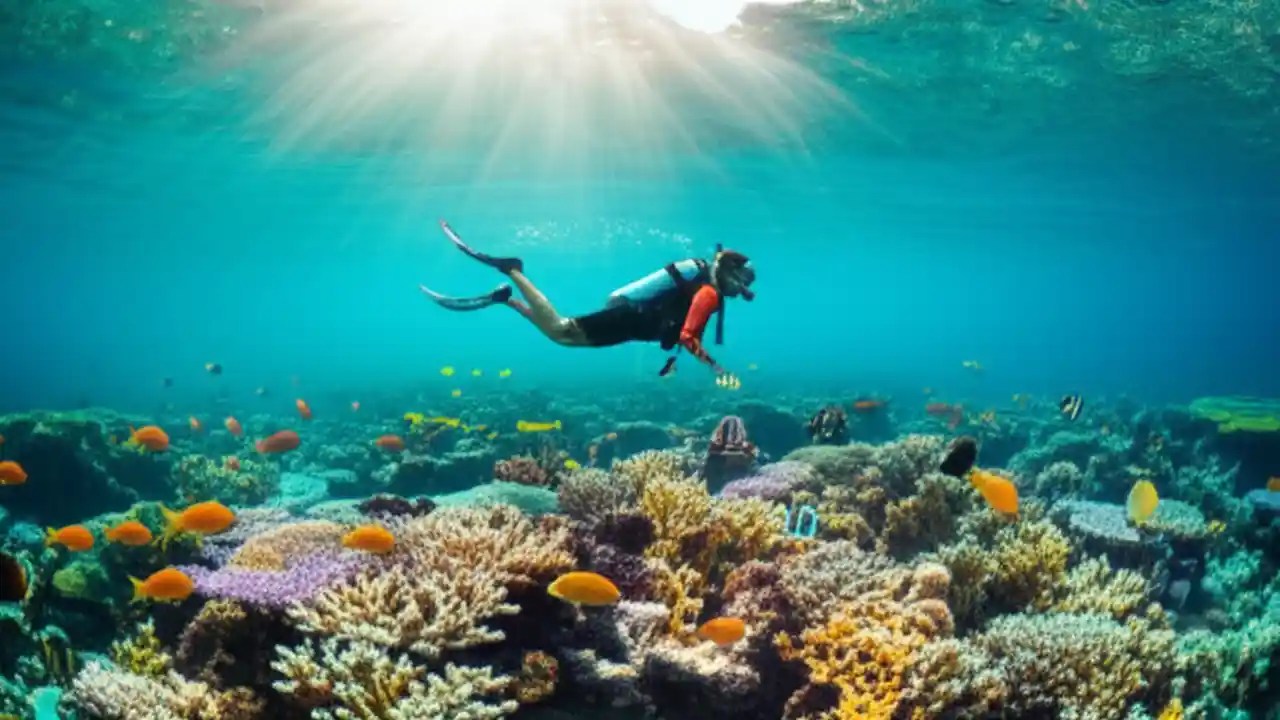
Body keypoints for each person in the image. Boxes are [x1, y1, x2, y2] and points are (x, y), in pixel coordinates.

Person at [420, 220, 756, 377]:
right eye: (740, 282)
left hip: (630, 321)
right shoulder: (709, 294)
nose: (739, 291)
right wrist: (714, 367)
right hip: (630, 319)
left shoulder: (704, 286)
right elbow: (686, 335)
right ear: (728, 273)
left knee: (562, 338)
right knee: (562, 329)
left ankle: (506, 298)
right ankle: (513, 270)